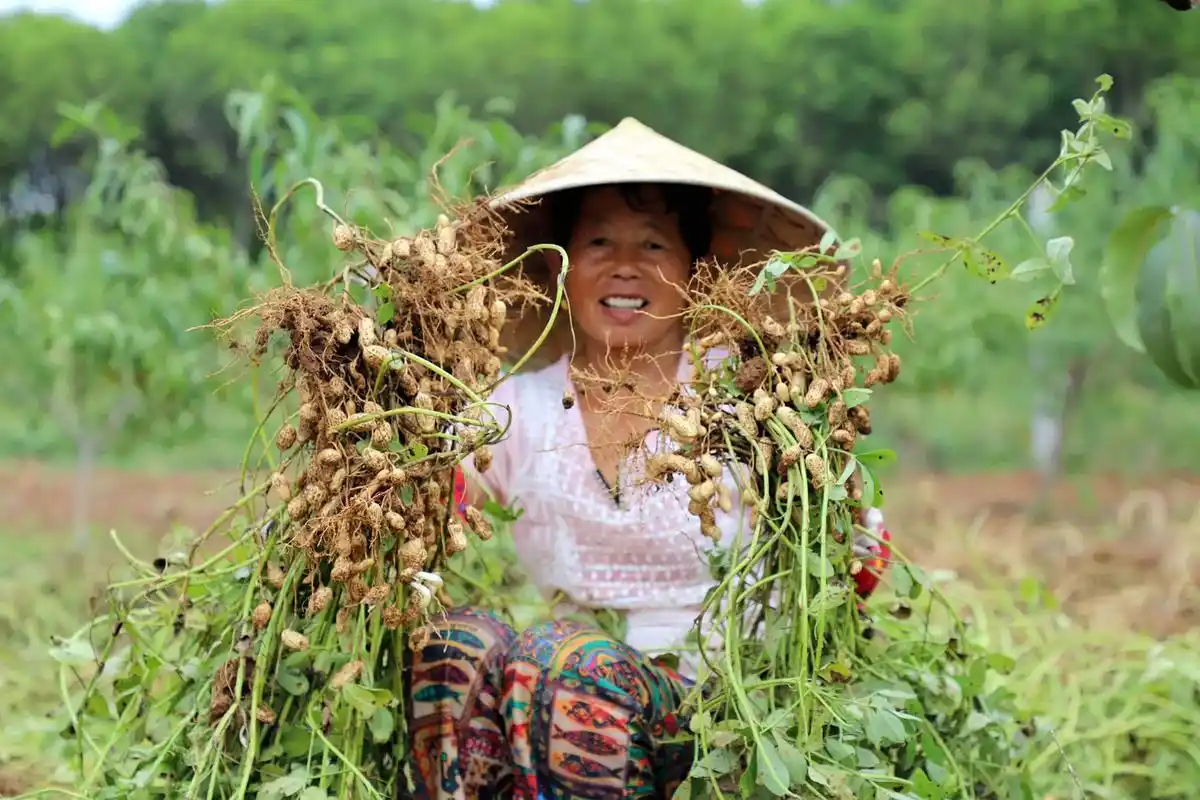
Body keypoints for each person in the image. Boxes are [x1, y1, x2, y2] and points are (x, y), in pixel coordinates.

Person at [407, 119, 893, 800]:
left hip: (717, 714)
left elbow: (856, 550)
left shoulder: (746, 398)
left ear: (696, 272)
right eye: (598, 242)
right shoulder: (518, 408)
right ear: (560, 267)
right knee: (456, 645)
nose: (624, 265)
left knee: (568, 663)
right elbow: (428, 517)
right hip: (550, 707)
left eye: (654, 244)